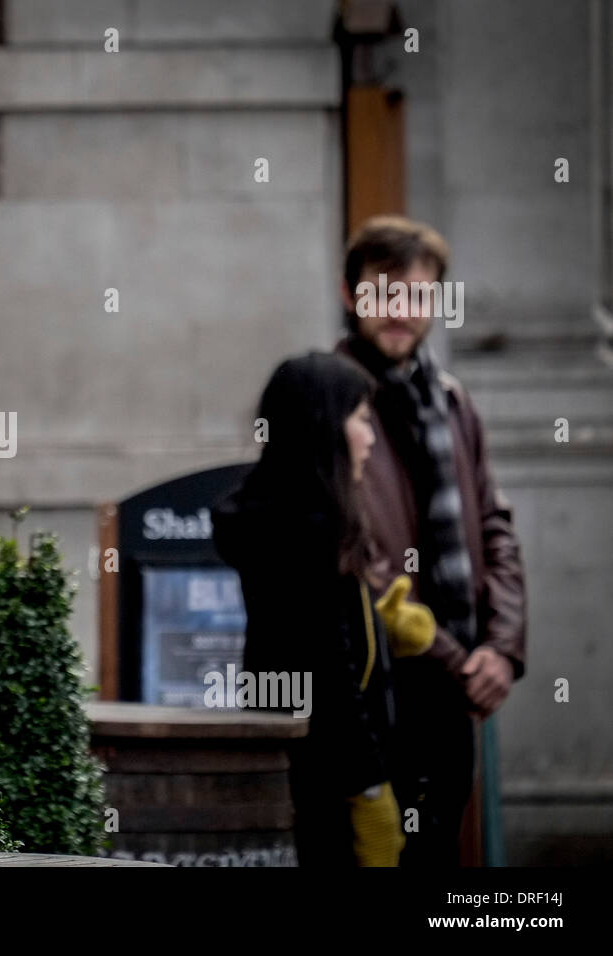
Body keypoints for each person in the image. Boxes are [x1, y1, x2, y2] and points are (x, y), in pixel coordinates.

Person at [336, 215, 527, 866]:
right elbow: (356, 552)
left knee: (439, 849)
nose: (400, 311)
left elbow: (496, 529)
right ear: (349, 295)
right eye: (383, 293)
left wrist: (500, 650)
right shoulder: (329, 399)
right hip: (374, 688)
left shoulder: (450, 399)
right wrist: (457, 659)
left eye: (416, 296)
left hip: (455, 689)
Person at [213, 352, 436, 866]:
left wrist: (380, 626)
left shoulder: (301, 517)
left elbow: (325, 636)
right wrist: (370, 791)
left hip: (317, 777)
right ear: (324, 428)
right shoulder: (302, 531)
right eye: (360, 419)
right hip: (323, 789)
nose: (371, 437)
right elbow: (328, 676)